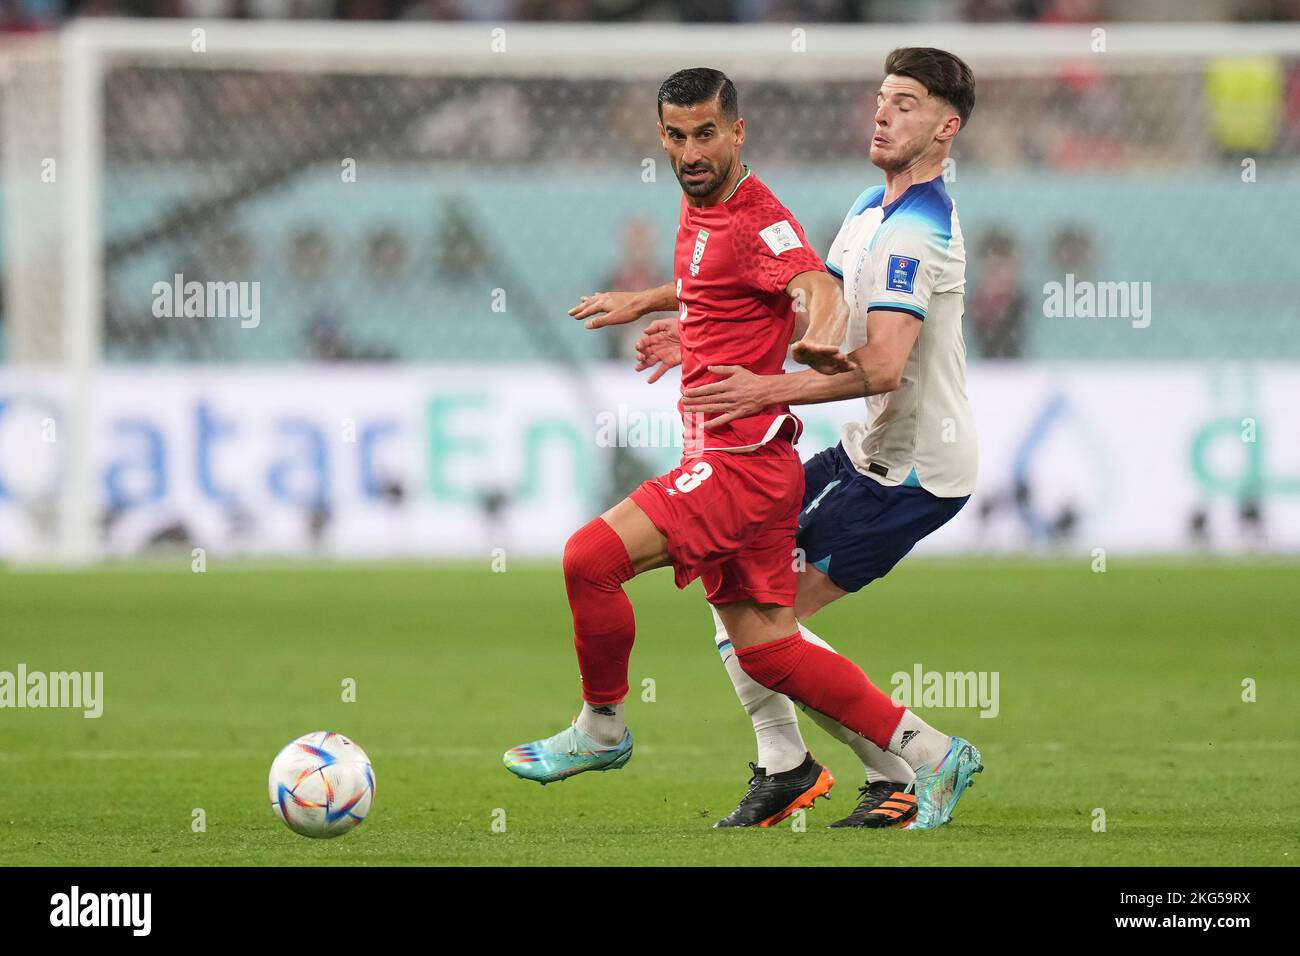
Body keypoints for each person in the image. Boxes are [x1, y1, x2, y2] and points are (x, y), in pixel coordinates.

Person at [505, 63, 980, 833]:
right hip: (818, 453)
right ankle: (914, 754)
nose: (691, 151)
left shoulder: (907, 227)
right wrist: (675, 312)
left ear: (738, 131)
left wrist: (787, 368)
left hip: (878, 467)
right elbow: (767, 284)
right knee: (760, 647)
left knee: (590, 560)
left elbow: (823, 301)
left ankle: (608, 731)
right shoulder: (854, 207)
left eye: (906, 104)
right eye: (676, 136)